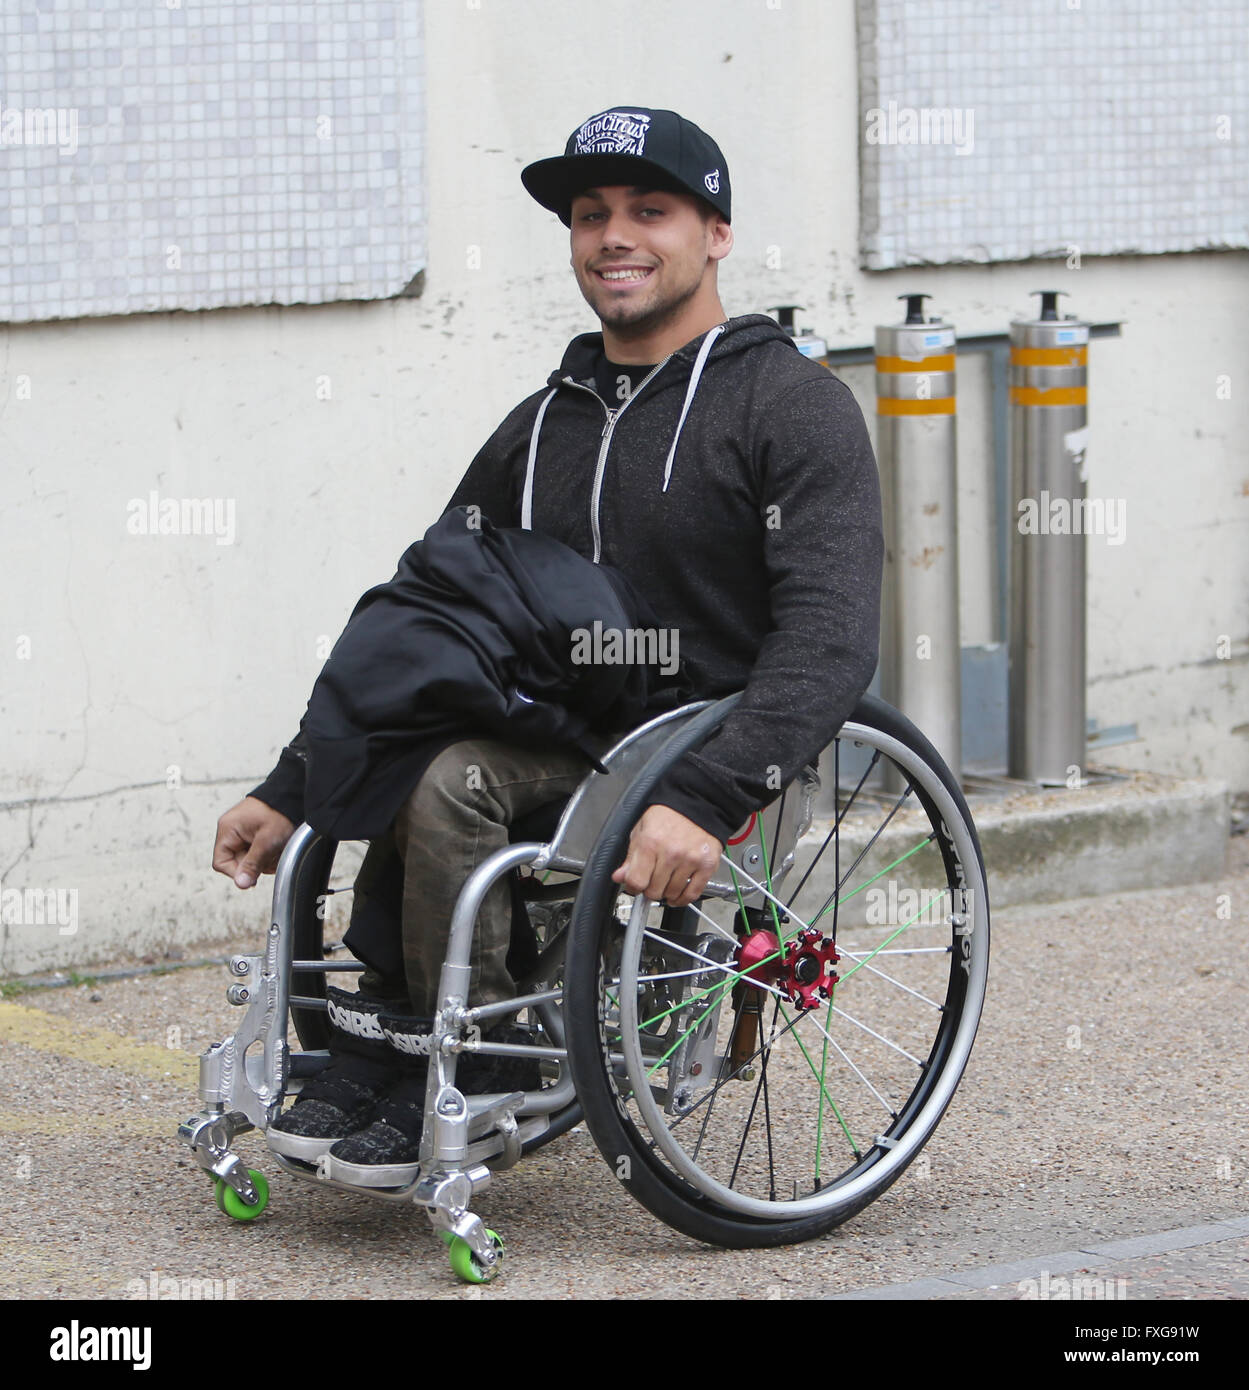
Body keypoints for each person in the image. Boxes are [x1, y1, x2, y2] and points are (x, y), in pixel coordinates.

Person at [210, 105, 884, 1176]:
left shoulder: (789, 407)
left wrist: (708, 791)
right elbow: (425, 618)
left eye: (648, 210)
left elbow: (830, 640)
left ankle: (476, 1057)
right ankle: (385, 1040)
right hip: (559, 720)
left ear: (715, 232)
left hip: (694, 739)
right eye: (589, 215)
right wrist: (292, 786)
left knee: (451, 778)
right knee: (417, 739)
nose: (614, 235)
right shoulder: (544, 422)